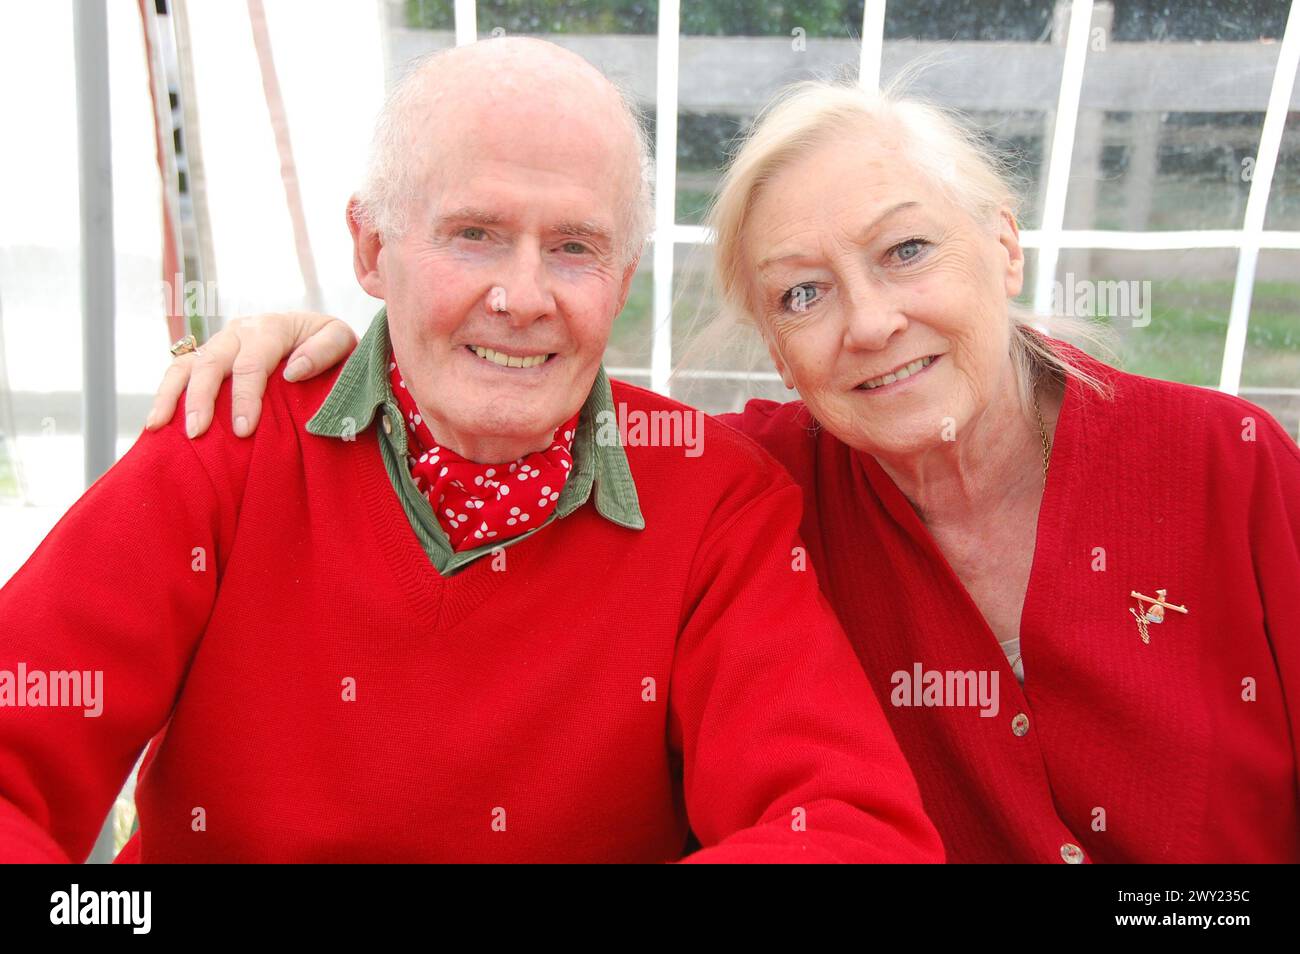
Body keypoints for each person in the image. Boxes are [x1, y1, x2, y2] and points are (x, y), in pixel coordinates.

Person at [179, 79, 1300, 863]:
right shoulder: (750, 488)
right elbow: (518, 407)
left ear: (1002, 245)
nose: (868, 324)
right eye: (800, 294)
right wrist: (334, 348)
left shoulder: (1229, 467)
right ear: (773, 344)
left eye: (907, 251)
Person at [0, 42, 944, 864]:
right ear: (372, 248)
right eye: (475, 236)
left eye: (574, 248)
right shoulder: (229, 434)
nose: (522, 296)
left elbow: (852, 833)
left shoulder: (713, 501)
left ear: (622, 282)